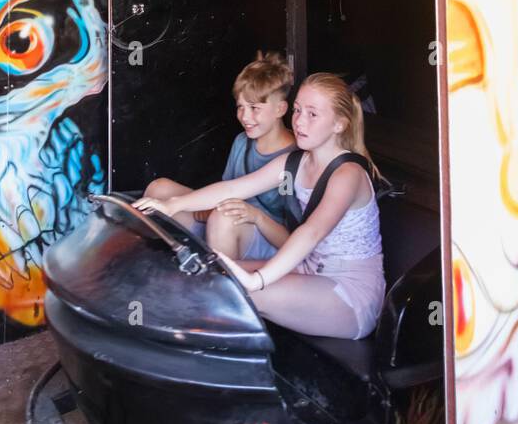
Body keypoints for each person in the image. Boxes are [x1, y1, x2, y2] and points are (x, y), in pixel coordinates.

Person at [141, 73, 385, 341]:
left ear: (339, 124)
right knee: (211, 278)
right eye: (298, 110)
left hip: (349, 291)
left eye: (312, 114)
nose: (299, 121)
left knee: (231, 294)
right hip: (307, 269)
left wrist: (258, 279)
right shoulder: (295, 163)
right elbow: (234, 188)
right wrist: (172, 204)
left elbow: (312, 232)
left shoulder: (347, 173)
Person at [142, 50, 294, 262]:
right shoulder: (242, 141)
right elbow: (227, 190)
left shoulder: (295, 156)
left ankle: (220, 284)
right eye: (240, 107)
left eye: (254, 108)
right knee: (159, 188)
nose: (245, 116)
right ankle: (166, 269)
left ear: (280, 109)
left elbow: (295, 236)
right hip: (227, 217)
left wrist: (234, 213)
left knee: (223, 218)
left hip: (269, 240)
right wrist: (201, 207)